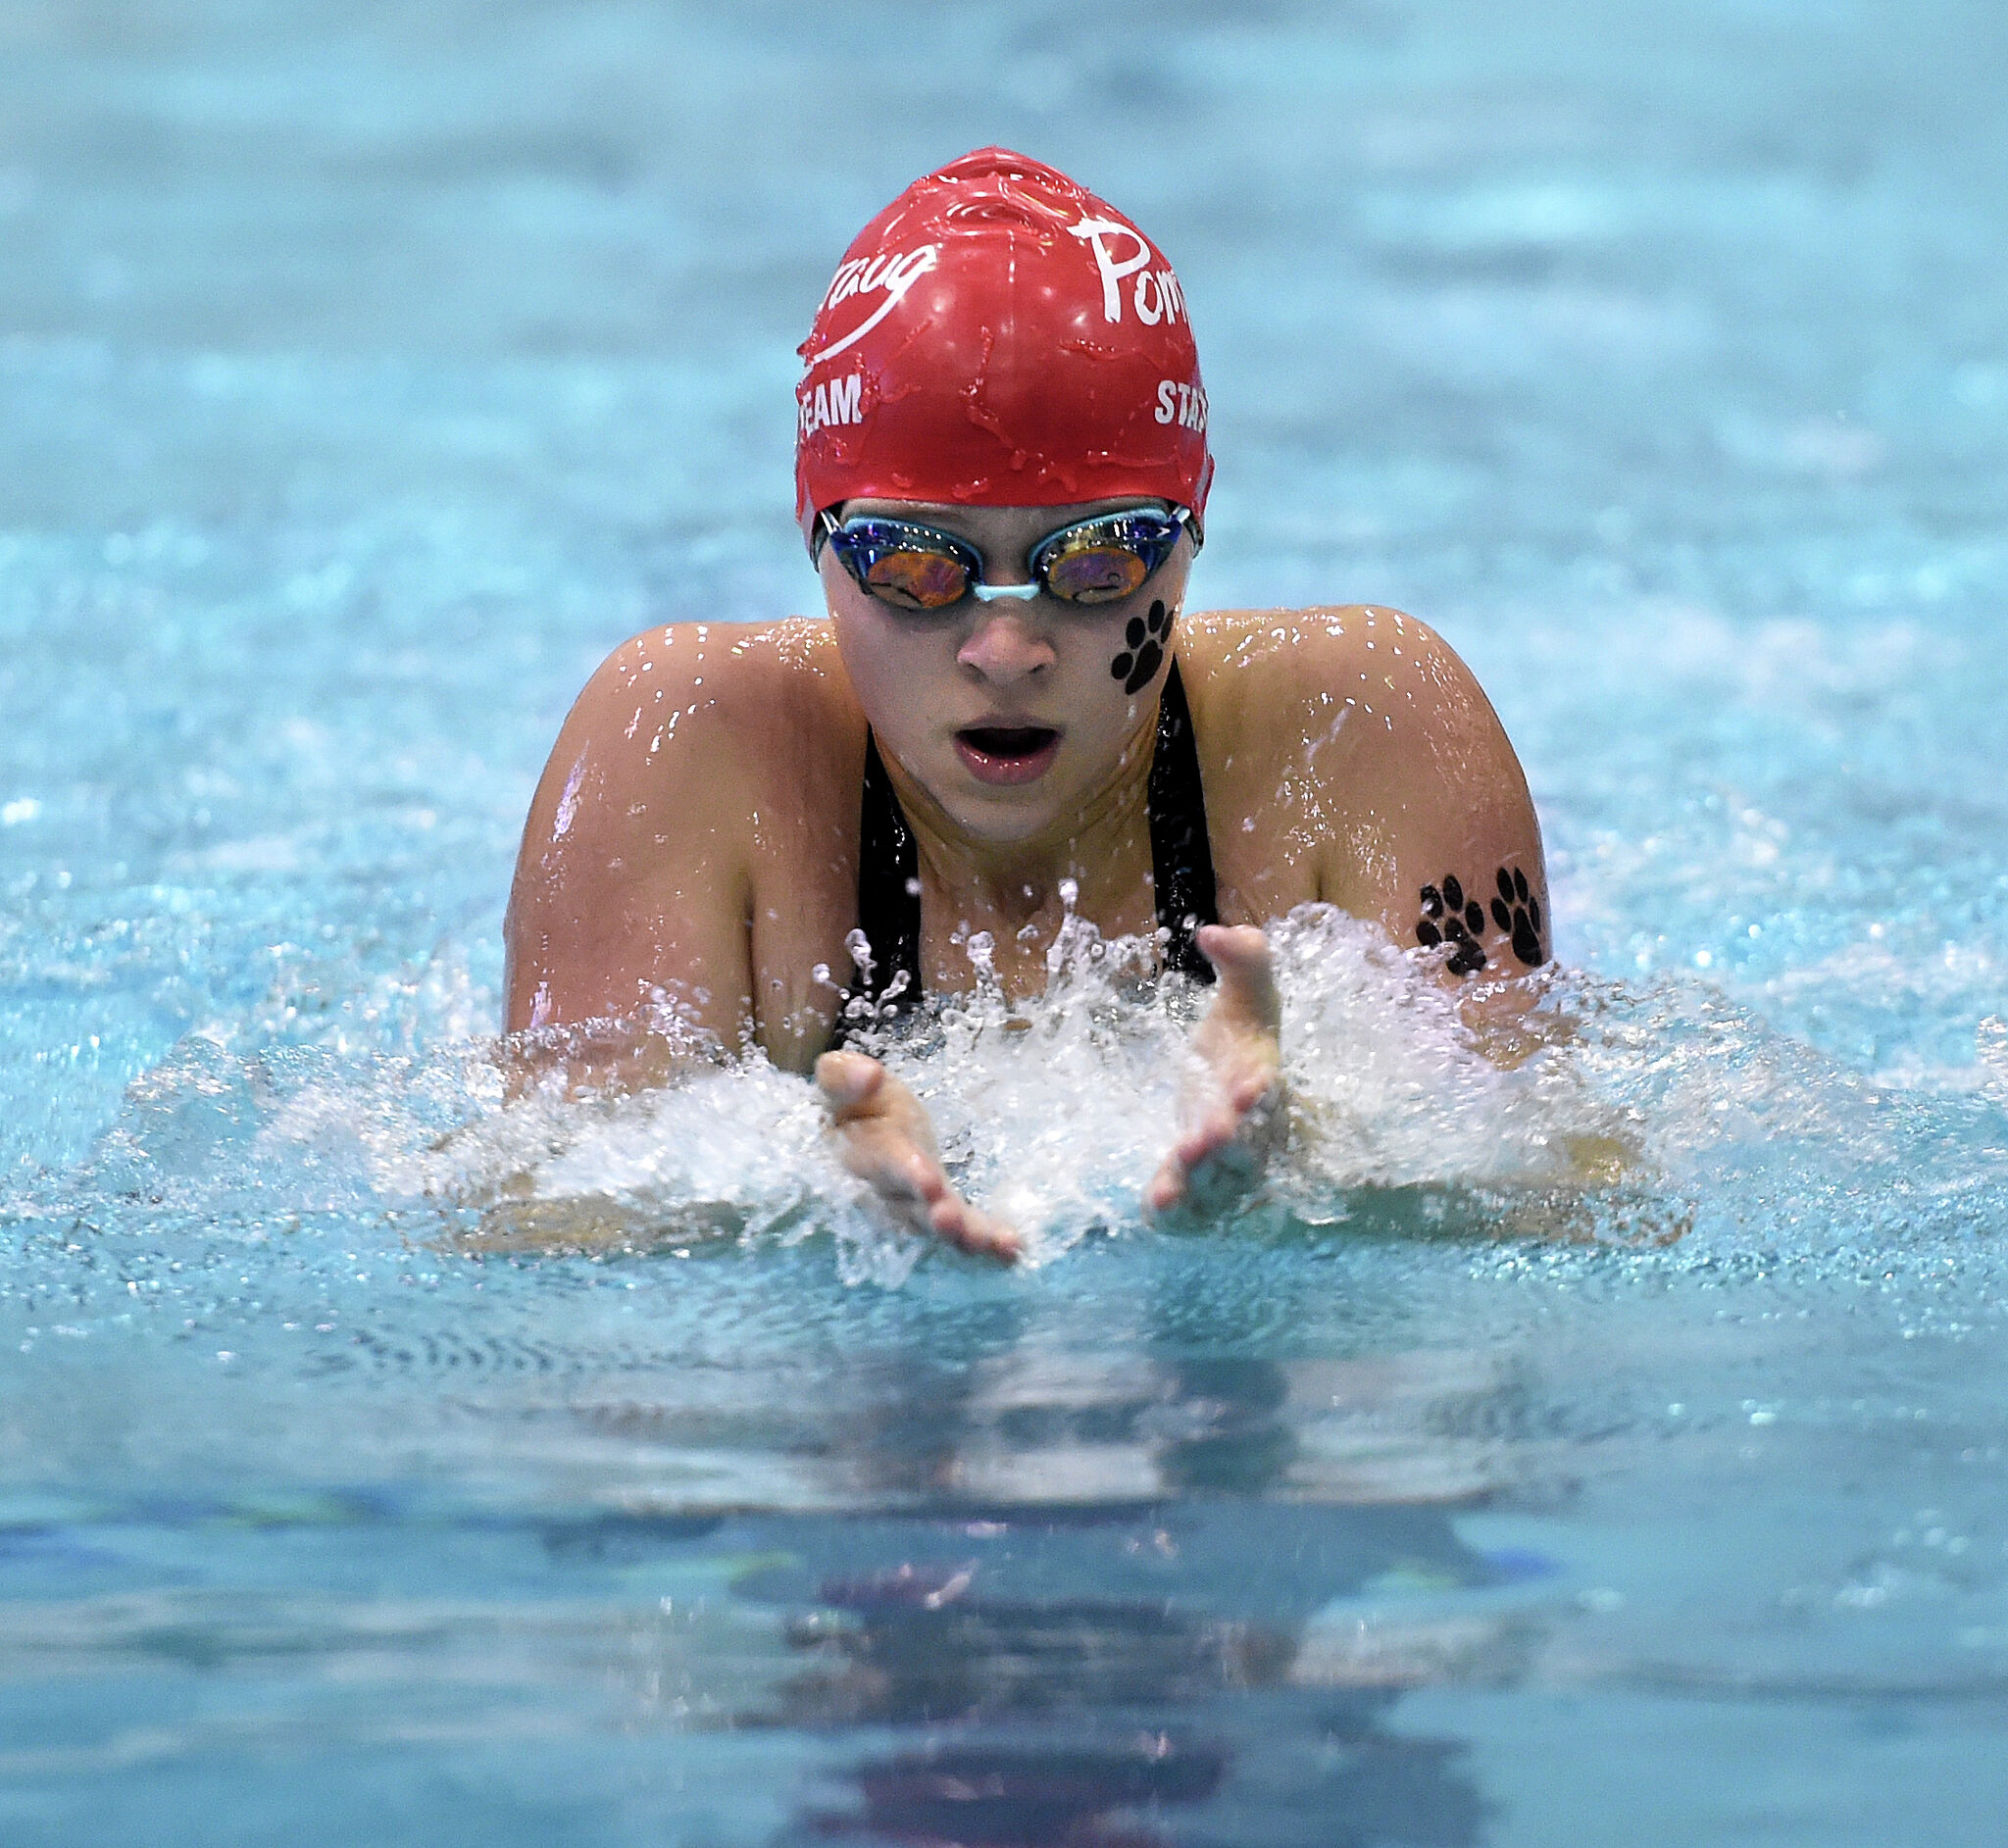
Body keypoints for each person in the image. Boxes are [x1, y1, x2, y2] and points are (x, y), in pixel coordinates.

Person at [503, 149, 1549, 1264]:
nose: (1005, 652)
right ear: (817, 541)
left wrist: (1323, 1166)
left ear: (1190, 536)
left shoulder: (1367, 728)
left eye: (1097, 561)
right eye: (914, 565)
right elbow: (537, 1228)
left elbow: (1563, 1190)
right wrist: (810, 1203)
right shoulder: (680, 749)